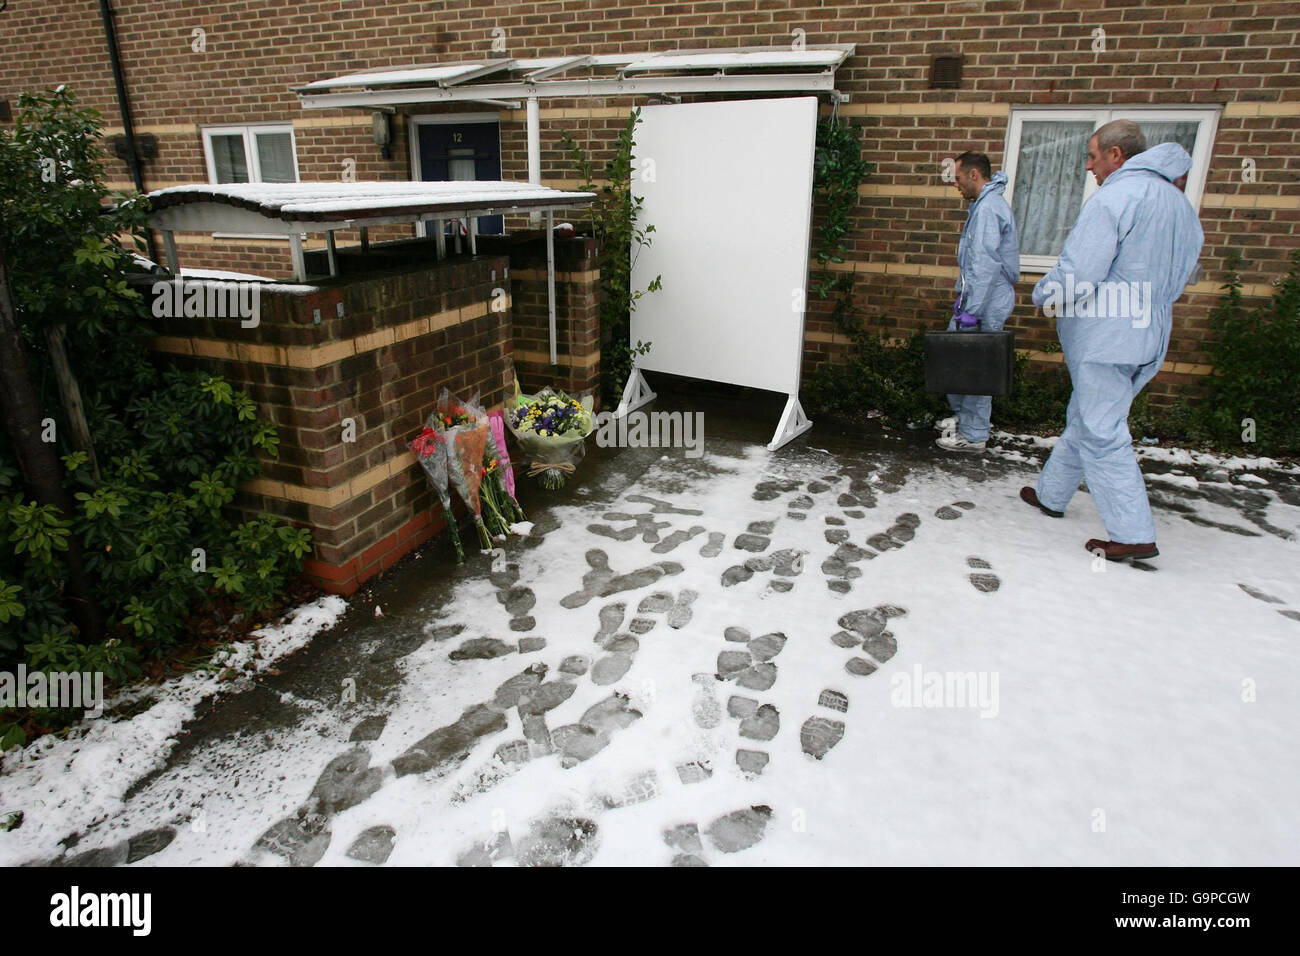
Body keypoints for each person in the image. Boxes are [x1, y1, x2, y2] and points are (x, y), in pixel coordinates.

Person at [1020, 123, 1204, 562]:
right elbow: (1183, 276)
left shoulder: (1116, 197)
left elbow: (1080, 271)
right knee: (1089, 415)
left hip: (1109, 332)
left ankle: (1132, 533)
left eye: (1092, 156)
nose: (1088, 166)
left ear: (1116, 154)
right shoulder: (1179, 205)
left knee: (1102, 429)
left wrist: (1043, 295)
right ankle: (1052, 494)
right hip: (1151, 329)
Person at [935, 151, 1021, 453]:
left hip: (985, 300)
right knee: (962, 364)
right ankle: (968, 420)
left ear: (974, 175)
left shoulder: (988, 210)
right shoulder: (985, 206)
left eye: (958, 179)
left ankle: (974, 434)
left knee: (977, 368)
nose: (956, 185)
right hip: (978, 297)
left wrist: (970, 310)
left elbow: (984, 264)